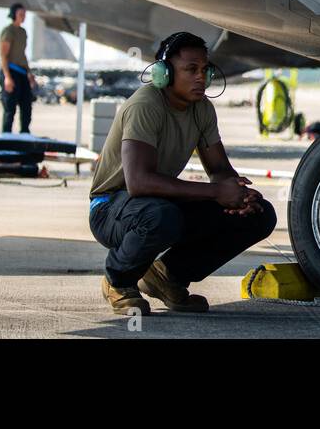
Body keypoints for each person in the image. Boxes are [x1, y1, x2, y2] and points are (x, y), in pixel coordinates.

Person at [87, 32, 277, 315]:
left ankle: (168, 276)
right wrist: (216, 192)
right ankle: (119, 280)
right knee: (162, 217)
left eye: (205, 70)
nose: (201, 77)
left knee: (259, 214)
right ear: (164, 74)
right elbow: (138, 183)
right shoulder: (145, 106)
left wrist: (238, 194)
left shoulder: (202, 109)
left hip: (160, 202)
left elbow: (219, 169)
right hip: (112, 207)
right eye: (191, 69)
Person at [0, 3, 36, 133]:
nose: (23, 17)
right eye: (21, 14)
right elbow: (3, 55)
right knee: (10, 109)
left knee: (27, 106)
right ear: (14, 14)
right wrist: (7, 78)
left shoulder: (23, 32)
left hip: (22, 72)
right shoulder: (8, 31)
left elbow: (22, 53)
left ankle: (25, 134)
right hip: (10, 71)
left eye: (24, 14)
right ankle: (6, 137)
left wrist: (29, 73)